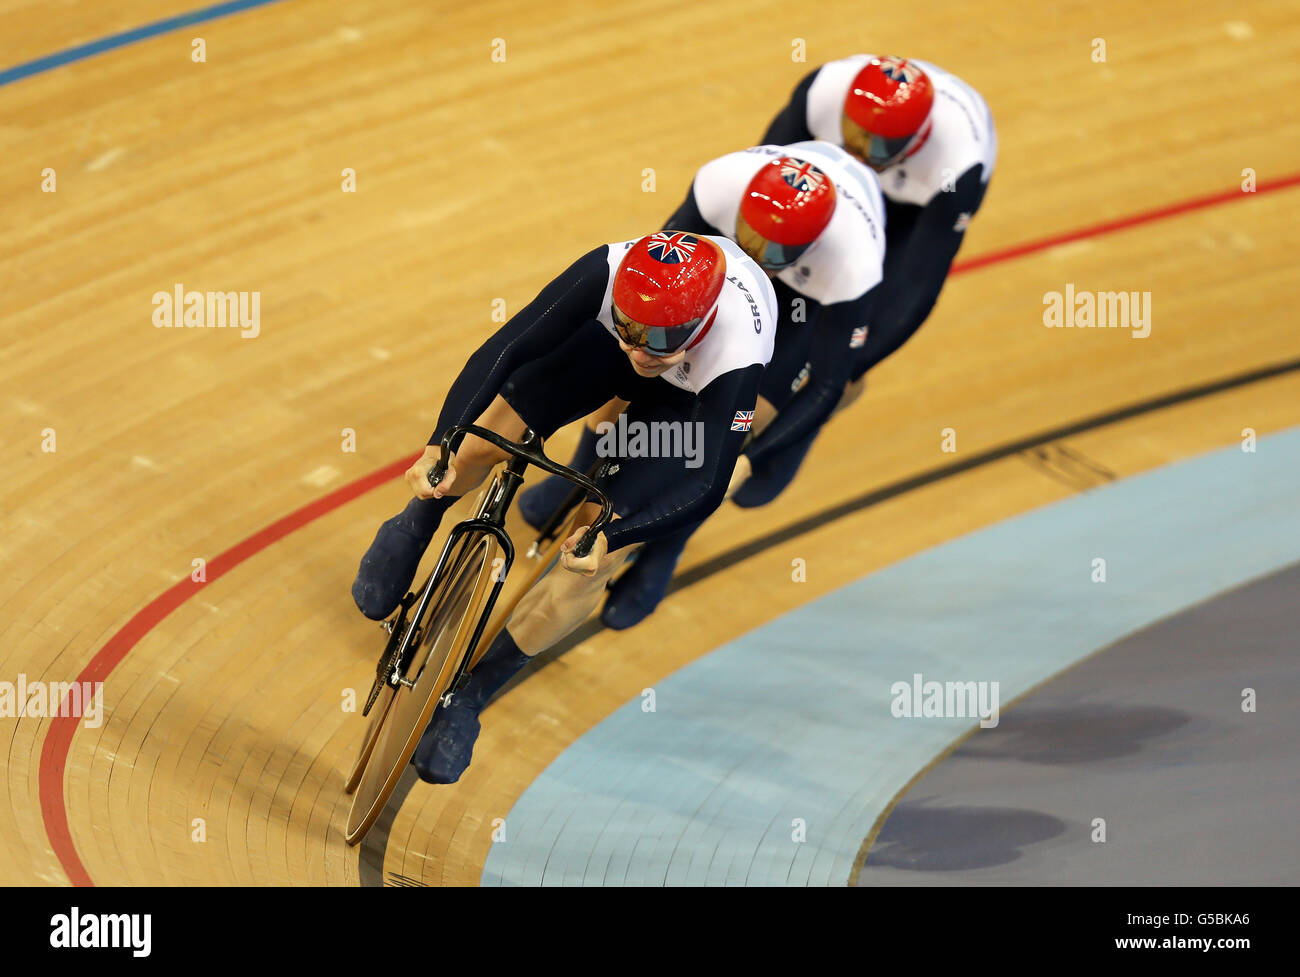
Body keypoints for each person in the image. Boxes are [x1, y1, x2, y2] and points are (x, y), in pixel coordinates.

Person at [351, 230, 776, 782]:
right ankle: (420, 517)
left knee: (590, 561)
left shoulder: (737, 351)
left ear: (701, 325)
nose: (639, 349)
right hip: (598, 349)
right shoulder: (607, 270)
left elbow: (709, 481)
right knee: (480, 441)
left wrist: (614, 538)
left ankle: (473, 696)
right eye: (630, 328)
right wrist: (442, 441)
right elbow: (507, 347)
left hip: (687, 398)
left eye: (660, 338)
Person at [517, 141, 887, 627]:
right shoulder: (723, 184)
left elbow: (825, 383)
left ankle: (668, 546)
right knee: (637, 348)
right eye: (752, 238)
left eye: (772, 250)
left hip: (802, 304)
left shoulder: (852, 261)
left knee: (724, 439)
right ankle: (580, 470)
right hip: (718, 269)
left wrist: (747, 460)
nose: (758, 255)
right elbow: (642, 286)